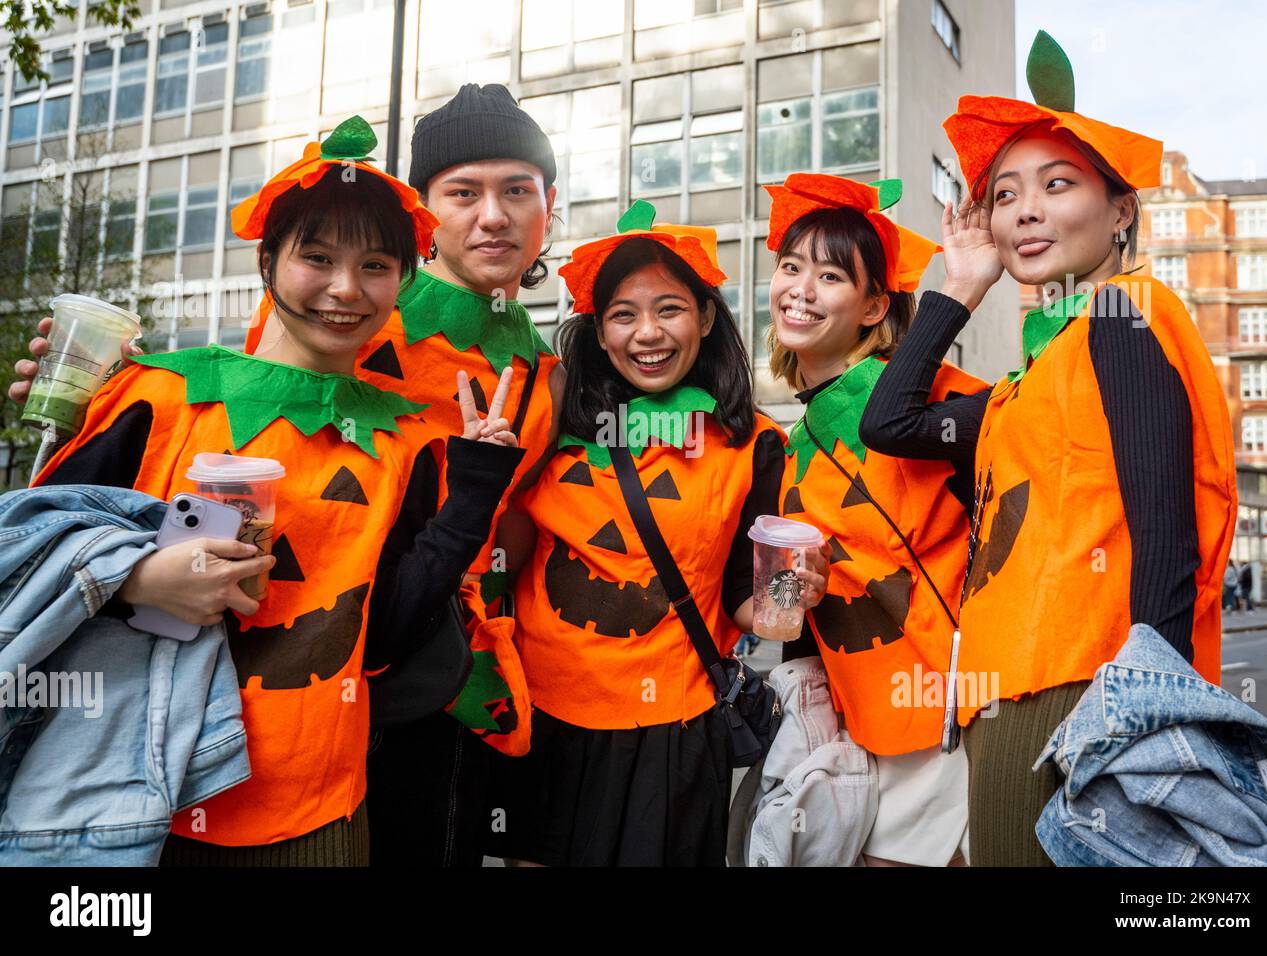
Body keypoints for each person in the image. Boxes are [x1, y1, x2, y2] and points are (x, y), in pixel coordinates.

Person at [31, 117, 525, 865]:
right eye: (317, 258)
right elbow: (28, 556)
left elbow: (383, 635)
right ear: (267, 261)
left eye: (376, 266)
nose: (343, 289)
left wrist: (471, 495)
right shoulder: (162, 394)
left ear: (404, 281)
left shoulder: (410, 439)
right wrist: (136, 577)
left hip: (320, 809)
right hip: (136, 803)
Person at [859, 32, 1236, 866]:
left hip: (1081, 691)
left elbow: (1164, 528)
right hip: (1009, 689)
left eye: (1057, 184)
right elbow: (889, 425)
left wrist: (1152, 718)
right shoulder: (1030, 379)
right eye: (1003, 194)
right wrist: (958, 287)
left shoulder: (1121, 317)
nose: (1024, 209)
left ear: (1122, 210)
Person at [487, 201, 829, 866]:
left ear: (703, 316)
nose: (648, 333)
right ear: (599, 330)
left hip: (673, 730)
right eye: (624, 315)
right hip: (548, 718)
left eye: (669, 308)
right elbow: (497, 539)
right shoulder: (555, 411)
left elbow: (755, 608)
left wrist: (791, 596)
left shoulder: (753, 443)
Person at [762, 172, 987, 866]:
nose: (800, 287)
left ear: (872, 308)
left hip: (957, 717)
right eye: (791, 266)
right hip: (861, 730)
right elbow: (787, 620)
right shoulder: (789, 450)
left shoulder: (942, 399)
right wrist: (792, 596)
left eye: (830, 275)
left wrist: (959, 290)